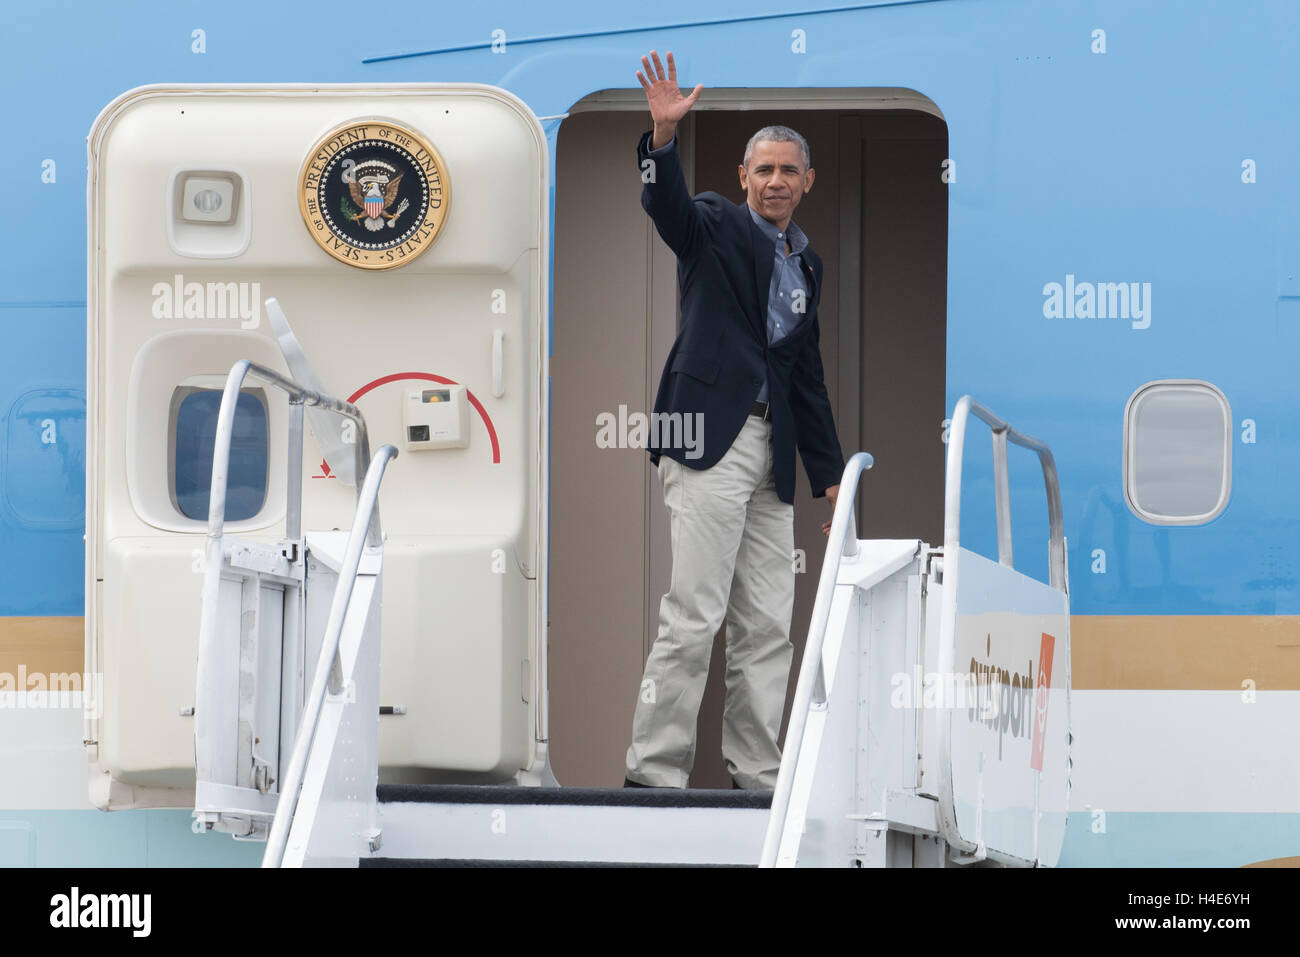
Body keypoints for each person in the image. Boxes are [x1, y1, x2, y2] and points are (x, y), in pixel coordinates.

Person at [624, 50, 846, 790]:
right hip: (710, 441)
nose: (776, 181)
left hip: (775, 459)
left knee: (768, 628)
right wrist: (660, 141)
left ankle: (757, 776)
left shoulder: (807, 267)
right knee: (693, 615)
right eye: (764, 170)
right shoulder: (715, 225)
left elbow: (804, 375)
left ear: (807, 182)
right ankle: (652, 775)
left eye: (789, 171)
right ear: (745, 179)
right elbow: (667, 209)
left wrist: (831, 480)